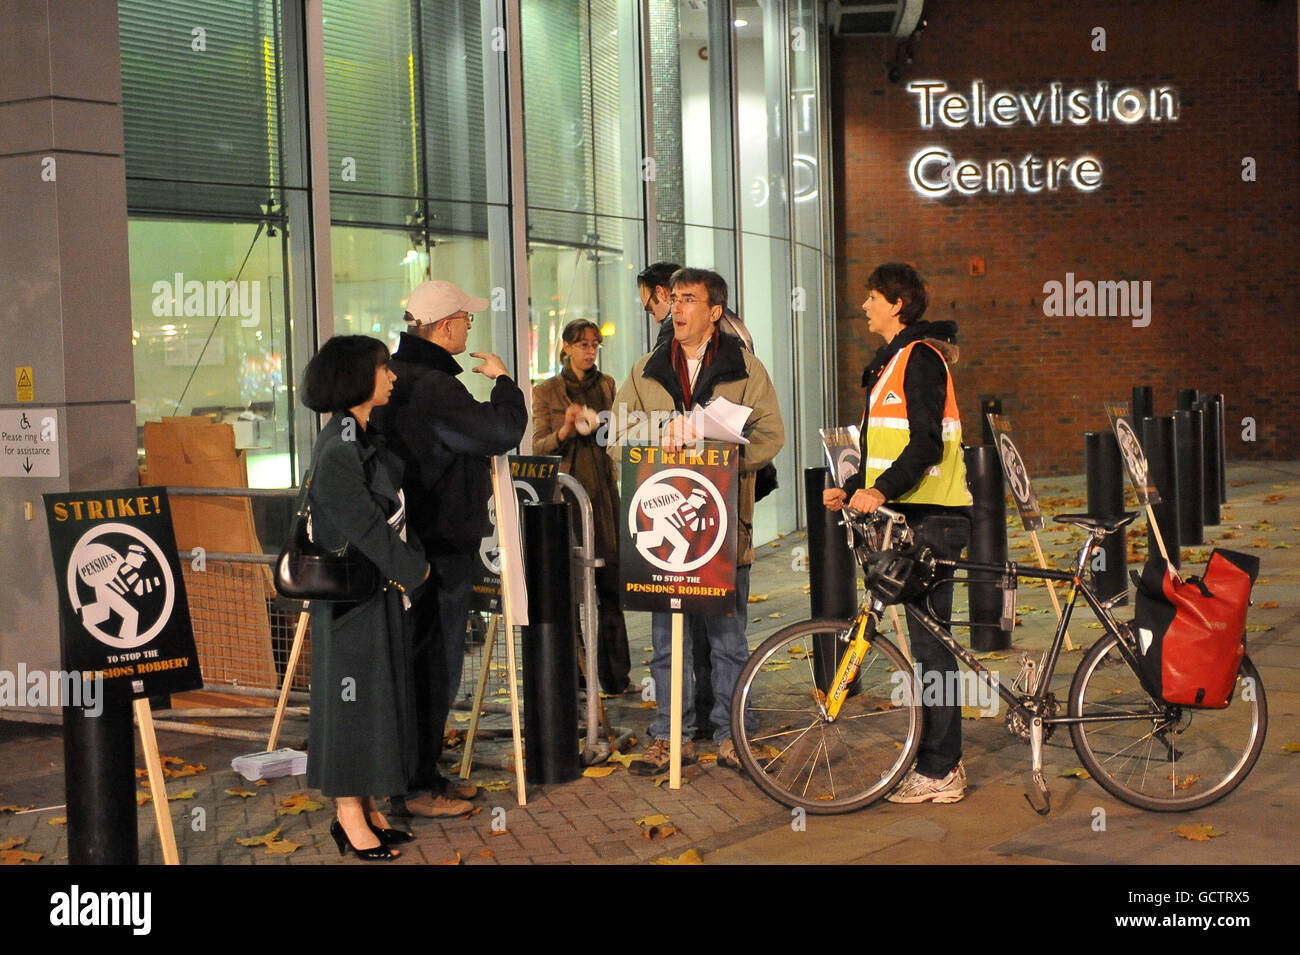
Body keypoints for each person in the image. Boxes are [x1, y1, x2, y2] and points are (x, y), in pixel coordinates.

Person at [614, 267, 785, 773]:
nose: (678, 309)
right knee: (668, 643)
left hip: (724, 530)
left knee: (728, 641)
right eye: (675, 299)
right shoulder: (645, 368)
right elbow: (618, 436)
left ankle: (734, 734)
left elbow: (771, 436)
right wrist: (658, 443)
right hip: (664, 536)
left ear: (715, 312)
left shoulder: (746, 369)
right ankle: (670, 738)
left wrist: (717, 454)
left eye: (690, 300)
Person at [370, 279, 528, 818]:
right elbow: (500, 431)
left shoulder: (396, 375)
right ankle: (416, 787)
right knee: (434, 669)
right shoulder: (435, 386)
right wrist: (504, 381)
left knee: (418, 666)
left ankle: (421, 776)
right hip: (438, 547)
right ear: (443, 326)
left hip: (406, 543)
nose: (469, 327)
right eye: (465, 319)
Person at [823, 262, 973, 804]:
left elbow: (927, 443)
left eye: (872, 297)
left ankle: (942, 768)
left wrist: (881, 491)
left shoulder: (920, 360)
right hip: (913, 514)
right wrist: (853, 487)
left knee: (931, 644)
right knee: (928, 641)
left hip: (933, 516)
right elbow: (886, 445)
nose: (864, 305)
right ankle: (938, 758)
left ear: (896, 305)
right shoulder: (891, 363)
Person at [301, 335, 430, 860]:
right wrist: (415, 571)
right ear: (357, 378)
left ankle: (369, 807)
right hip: (353, 602)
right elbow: (367, 529)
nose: (393, 377)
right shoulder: (339, 447)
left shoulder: (356, 437)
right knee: (351, 706)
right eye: (383, 369)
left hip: (372, 596)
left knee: (373, 702)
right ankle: (348, 814)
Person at [532, 319, 632, 694]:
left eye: (595, 344)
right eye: (583, 344)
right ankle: (575, 675)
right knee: (571, 586)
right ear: (567, 347)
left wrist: (605, 426)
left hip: (603, 493)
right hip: (568, 496)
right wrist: (566, 429)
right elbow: (538, 446)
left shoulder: (607, 386)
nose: (590, 351)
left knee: (610, 582)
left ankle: (615, 676)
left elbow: (618, 435)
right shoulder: (547, 392)